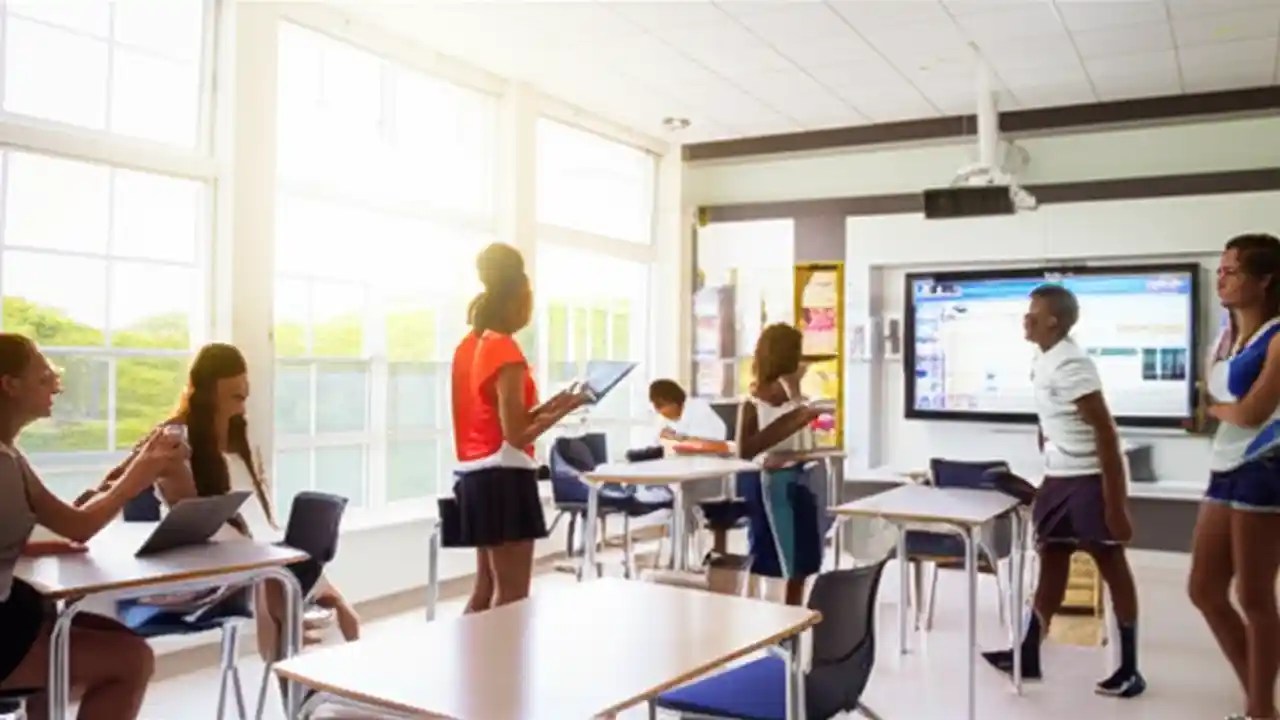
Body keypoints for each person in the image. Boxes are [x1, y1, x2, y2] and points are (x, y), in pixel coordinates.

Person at [82, 343, 360, 659]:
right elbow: (110, 488)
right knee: (281, 588)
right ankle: (303, 683)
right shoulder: (171, 437)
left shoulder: (238, 438)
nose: (242, 408)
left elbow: (249, 529)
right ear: (206, 393)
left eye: (245, 397)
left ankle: (320, 683)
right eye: (235, 397)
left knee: (320, 601)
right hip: (204, 568)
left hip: (250, 555)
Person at [0, 332, 186, 719]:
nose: (57, 384)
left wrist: (32, 546)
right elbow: (80, 525)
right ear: (9, 385)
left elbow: (72, 523)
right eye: (44, 376)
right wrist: (138, 474)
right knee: (132, 660)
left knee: (113, 636)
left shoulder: (10, 456)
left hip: (11, 608)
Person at [981, 284, 1145, 698]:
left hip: (1088, 478)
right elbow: (1050, 414)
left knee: (1110, 561)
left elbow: (1106, 432)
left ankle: (1128, 668)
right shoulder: (1044, 358)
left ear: (1054, 320)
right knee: (1051, 557)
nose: (1026, 318)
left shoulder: (1072, 364)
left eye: (1033, 312)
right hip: (1058, 476)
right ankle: (1029, 651)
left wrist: (1116, 505)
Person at [451, 243, 586, 614]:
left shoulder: (472, 345)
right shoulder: (506, 350)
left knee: (485, 589)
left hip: (475, 474)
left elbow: (499, 416)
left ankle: (470, 671)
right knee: (512, 600)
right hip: (506, 477)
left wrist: (559, 404)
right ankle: (502, 673)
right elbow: (518, 434)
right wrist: (561, 413)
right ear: (517, 299)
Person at [1190, 233, 1280, 720]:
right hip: (1224, 468)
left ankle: (1260, 710)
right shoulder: (1226, 338)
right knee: (1204, 588)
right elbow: (1225, 409)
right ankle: (1262, 703)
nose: (1222, 279)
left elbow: (1251, 412)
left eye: (1233, 271)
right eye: (1221, 270)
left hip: (1265, 471)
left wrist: (1212, 409)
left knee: (1254, 596)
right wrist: (1218, 410)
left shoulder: (1279, 338)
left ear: (1265, 280)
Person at [735, 323, 825, 606]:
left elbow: (806, 444)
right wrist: (798, 415)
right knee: (781, 557)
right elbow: (746, 450)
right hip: (774, 485)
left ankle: (793, 618)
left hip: (802, 482)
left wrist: (797, 399)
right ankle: (776, 619)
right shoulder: (752, 403)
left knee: (803, 559)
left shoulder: (801, 403)